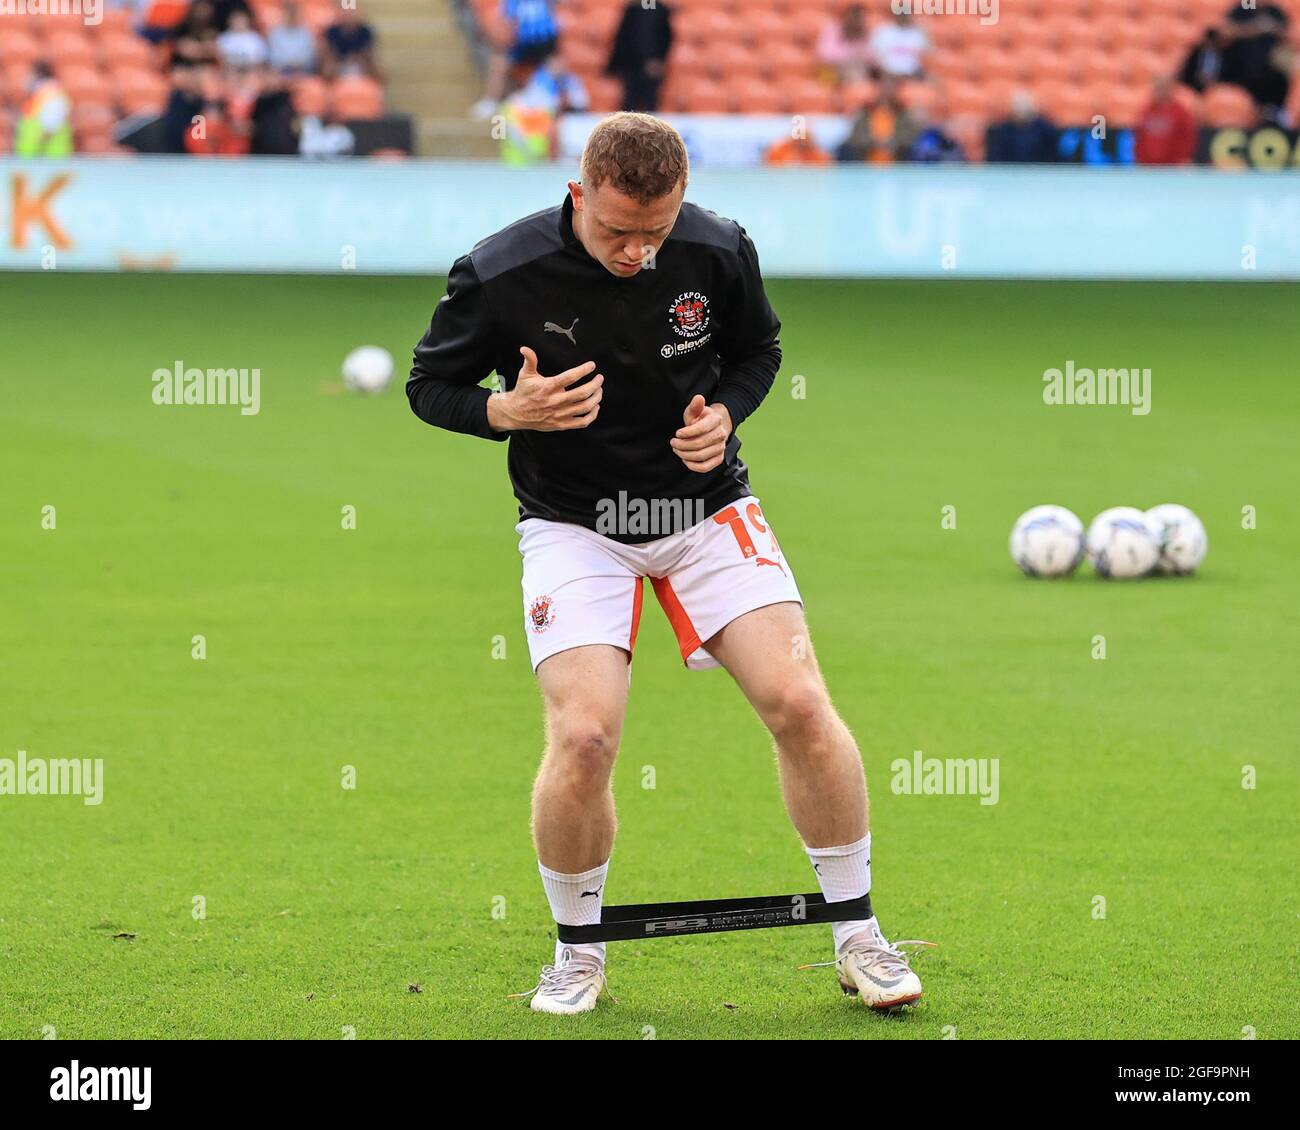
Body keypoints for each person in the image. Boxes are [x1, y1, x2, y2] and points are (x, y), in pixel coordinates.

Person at [407, 112, 929, 1016]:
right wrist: (507, 413)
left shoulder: (718, 249)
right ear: (579, 195)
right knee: (584, 737)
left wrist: (726, 412)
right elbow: (428, 386)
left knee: (801, 704)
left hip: (706, 511)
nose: (638, 251)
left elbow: (758, 351)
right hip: (576, 524)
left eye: (656, 230)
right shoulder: (499, 272)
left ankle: (860, 938)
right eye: (616, 231)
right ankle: (578, 953)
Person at [471, 0, 560, 119]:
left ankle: (545, 94)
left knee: (558, 60)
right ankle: (491, 100)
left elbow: (558, 11)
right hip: (522, 39)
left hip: (546, 38)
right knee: (500, 59)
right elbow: (508, 19)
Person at [606, 0, 673, 112]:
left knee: (649, 103)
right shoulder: (632, 9)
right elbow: (622, 37)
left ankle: (651, 129)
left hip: (651, 66)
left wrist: (658, 60)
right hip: (630, 66)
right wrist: (614, 65)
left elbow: (666, 37)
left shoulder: (660, 9)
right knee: (629, 102)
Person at [835, 78, 917, 163]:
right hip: (866, 165)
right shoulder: (864, 116)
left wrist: (893, 142)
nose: (885, 94)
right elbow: (854, 139)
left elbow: (911, 138)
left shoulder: (904, 116)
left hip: (898, 165)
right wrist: (873, 142)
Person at [1135, 77, 1198, 166]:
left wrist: (1180, 159)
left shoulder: (1181, 113)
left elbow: (1188, 139)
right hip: (1148, 165)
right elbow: (1139, 137)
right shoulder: (1147, 110)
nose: (1159, 91)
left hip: (1172, 166)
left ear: (1170, 89)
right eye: (1157, 88)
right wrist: (1140, 159)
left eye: (1162, 88)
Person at [14, 62, 73, 158]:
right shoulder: (39, 95)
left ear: (38, 75)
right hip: (33, 158)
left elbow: (52, 122)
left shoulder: (50, 93)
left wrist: (41, 143)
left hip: (48, 159)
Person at [985, 90, 1058, 163]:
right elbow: (997, 155)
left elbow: (1052, 152)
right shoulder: (1004, 130)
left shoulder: (1044, 128)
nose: (1022, 113)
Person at [816, 3, 873, 85]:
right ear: (845, 16)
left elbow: (871, 58)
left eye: (859, 16)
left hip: (856, 71)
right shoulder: (832, 29)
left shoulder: (866, 33)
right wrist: (850, 56)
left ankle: (855, 94)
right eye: (854, 15)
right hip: (833, 71)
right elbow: (823, 54)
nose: (856, 19)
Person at [869, 8, 929, 79]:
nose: (903, 15)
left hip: (913, 73)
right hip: (888, 73)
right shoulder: (882, 31)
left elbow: (925, 55)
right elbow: (875, 56)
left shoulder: (918, 33)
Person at [323, 4, 379, 79]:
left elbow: (369, 56)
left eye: (352, 12)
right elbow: (328, 57)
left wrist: (358, 61)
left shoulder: (366, 32)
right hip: (337, 69)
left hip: (361, 67)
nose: (349, 16)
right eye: (347, 13)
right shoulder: (332, 32)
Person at [268, 2, 318, 75]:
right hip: (282, 72)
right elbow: (274, 58)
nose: (291, 17)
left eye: (293, 14)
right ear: (283, 15)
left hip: (303, 71)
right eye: (288, 14)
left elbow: (309, 57)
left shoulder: (306, 33)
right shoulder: (275, 34)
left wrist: (297, 64)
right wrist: (289, 64)